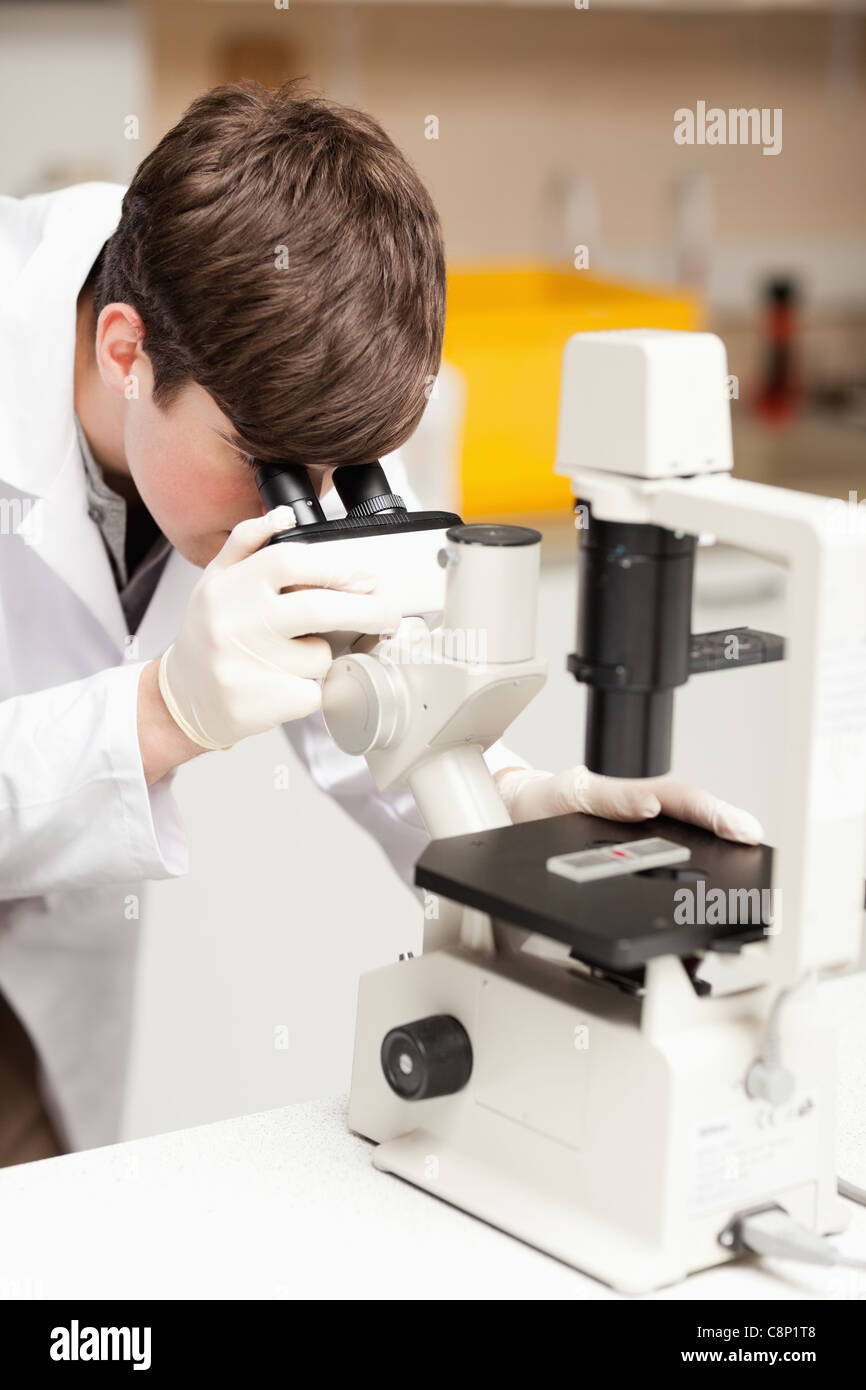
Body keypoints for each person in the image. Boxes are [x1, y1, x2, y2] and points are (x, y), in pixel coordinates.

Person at [0, 82, 762, 1168]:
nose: (295, 509)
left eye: (326, 476)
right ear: (126, 352)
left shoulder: (301, 388)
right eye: (264, 466)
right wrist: (160, 715)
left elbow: (383, 710)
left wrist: (520, 819)